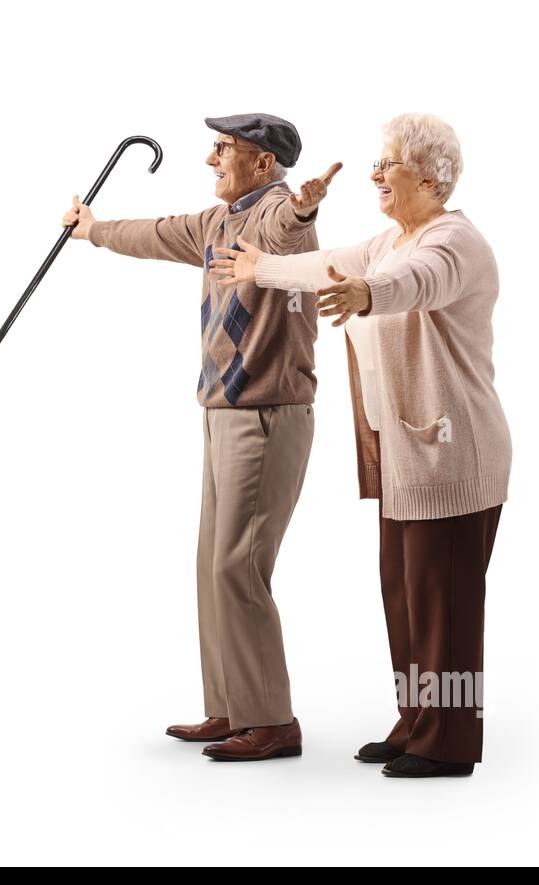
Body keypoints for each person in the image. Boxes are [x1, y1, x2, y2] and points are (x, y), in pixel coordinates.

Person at [208, 113, 510, 777]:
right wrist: (263, 266)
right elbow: (328, 262)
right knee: (405, 596)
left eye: (390, 163)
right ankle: (416, 721)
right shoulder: (392, 241)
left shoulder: (450, 242)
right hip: (408, 457)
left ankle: (448, 742)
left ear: (430, 179)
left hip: (454, 457)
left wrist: (368, 295)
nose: (376, 173)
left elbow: (415, 284)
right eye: (377, 160)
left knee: (446, 606)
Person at [63, 113, 341, 760]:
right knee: (212, 566)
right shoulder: (217, 223)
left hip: (267, 414)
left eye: (223, 149)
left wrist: (303, 212)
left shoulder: (275, 215)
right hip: (223, 410)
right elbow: (155, 234)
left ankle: (271, 720)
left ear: (263, 164)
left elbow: (287, 231)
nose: (211, 159)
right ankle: (230, 708)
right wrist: (93, 230)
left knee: (236, 564)